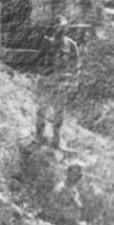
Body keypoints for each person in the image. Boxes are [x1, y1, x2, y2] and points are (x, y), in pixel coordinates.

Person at [35, 18, 80, 148]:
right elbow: (39, 61)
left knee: (59, 113)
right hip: (46, 82)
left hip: (61, 84)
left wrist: (73, 83)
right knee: (41, 111)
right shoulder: (47, 43)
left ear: (65, 29)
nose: (59, 30)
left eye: (62, 28)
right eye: (57, 27)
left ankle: (56, 140)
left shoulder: (71, 45)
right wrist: (42, 74)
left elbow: (76, 66)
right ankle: (39, 137)